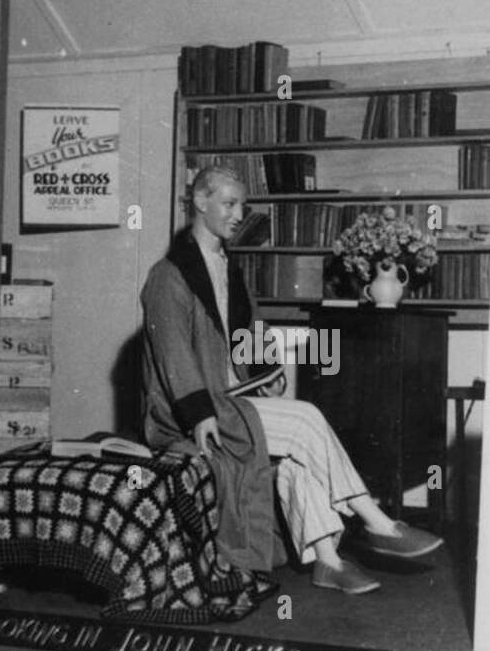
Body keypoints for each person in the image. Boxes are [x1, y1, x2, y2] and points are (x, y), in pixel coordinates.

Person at [139, 164, 442, 594]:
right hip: (193, 411)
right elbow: (173, 353)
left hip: (236, 400)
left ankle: (328, 560)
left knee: (297, 464)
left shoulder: (227, 267)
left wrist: (264, 374)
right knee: (305, 420)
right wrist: (198, 414)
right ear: (200, 202)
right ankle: (378, 523)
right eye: (229, 203)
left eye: (242, 204)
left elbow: (248, 331)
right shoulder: (167, 276)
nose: (239, 213)